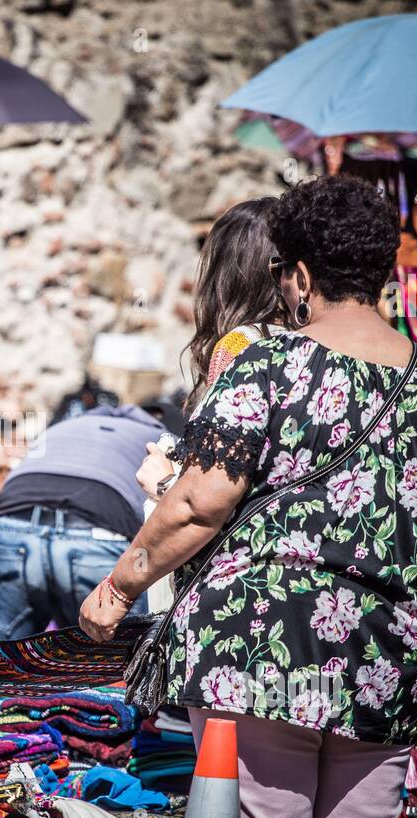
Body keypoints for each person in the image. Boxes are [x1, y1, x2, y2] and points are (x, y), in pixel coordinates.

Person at [80, 176, 417, 818]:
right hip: (387, 659)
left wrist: (119, 588)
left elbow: (199, 501)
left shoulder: (269, 363)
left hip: (265, 649)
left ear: (298, 275)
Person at [135, 198, 289, 612]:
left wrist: (166, 484)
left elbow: (214, 497)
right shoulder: (313, 347)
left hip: (236, 587)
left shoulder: (240, 345)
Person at [0, 403, 172, 641]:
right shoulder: (162, 441)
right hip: (99, 533)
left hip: (13, 524)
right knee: (115, 669)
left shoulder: (66, 425)